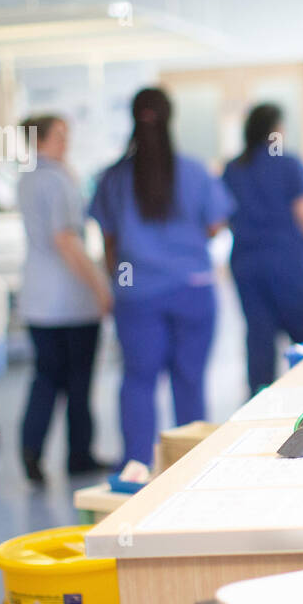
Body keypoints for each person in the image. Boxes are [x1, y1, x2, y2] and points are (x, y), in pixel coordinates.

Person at [88, 88, 234, 468]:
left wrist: (120, 283)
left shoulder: (113, 179)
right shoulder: (196, 171)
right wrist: (184, 245)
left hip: (137, 293)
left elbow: (109, 241)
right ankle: (191, 465)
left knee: (138, 381)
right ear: (171, 118)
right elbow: (216, 225)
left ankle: (136, 467)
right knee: (190, 381)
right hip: (193, 288)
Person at [16, 116, 112, 484]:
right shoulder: (59, 180)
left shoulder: (27, 178)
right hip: (70, 301)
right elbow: (66, 240)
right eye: (60, 133)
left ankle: (31, 449)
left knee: (45, 377)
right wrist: (100, 286)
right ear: (42, 138)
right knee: (78, 380)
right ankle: (79, 456)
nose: (67, 139)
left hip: (38, 301)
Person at [221, 104, 303, 395]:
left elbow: (220, 218)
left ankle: (261, 405)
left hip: (247, 264)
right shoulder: (290, 164)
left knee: (259, 339)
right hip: (287, 262)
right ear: (277, 130)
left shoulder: (233, 169)